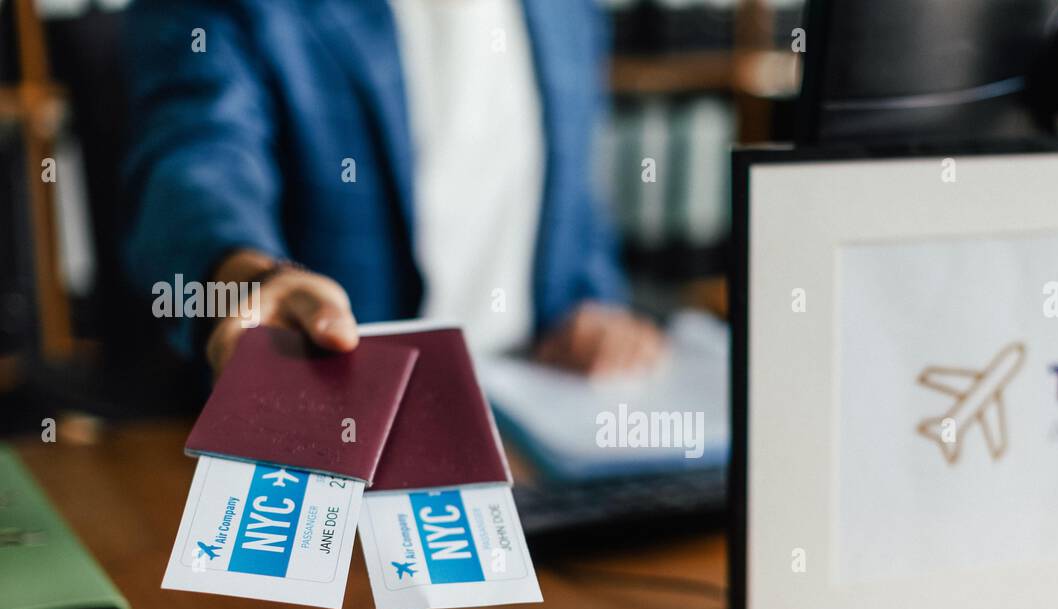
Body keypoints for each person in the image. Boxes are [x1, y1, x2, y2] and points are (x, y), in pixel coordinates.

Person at [121, 0, 663, 376]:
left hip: (537, 402)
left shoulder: (567, 10)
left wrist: (593, 302)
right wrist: (247, 279)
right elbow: (195, 157)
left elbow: (575, 186)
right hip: (332, 426)